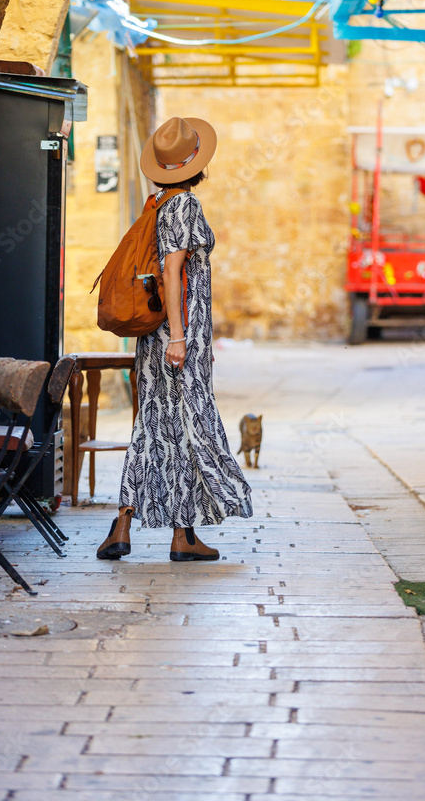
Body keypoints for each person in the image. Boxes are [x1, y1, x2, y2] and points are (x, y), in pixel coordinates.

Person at [96, 116, 253, 562]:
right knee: (178, 426)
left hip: (165, 339)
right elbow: (171, 272)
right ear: (196, 163)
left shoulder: (160, 202)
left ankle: (152, 531)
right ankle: (147, 528)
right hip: (176, 337)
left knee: (161, 427)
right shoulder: (183, 205)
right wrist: (182, 338)